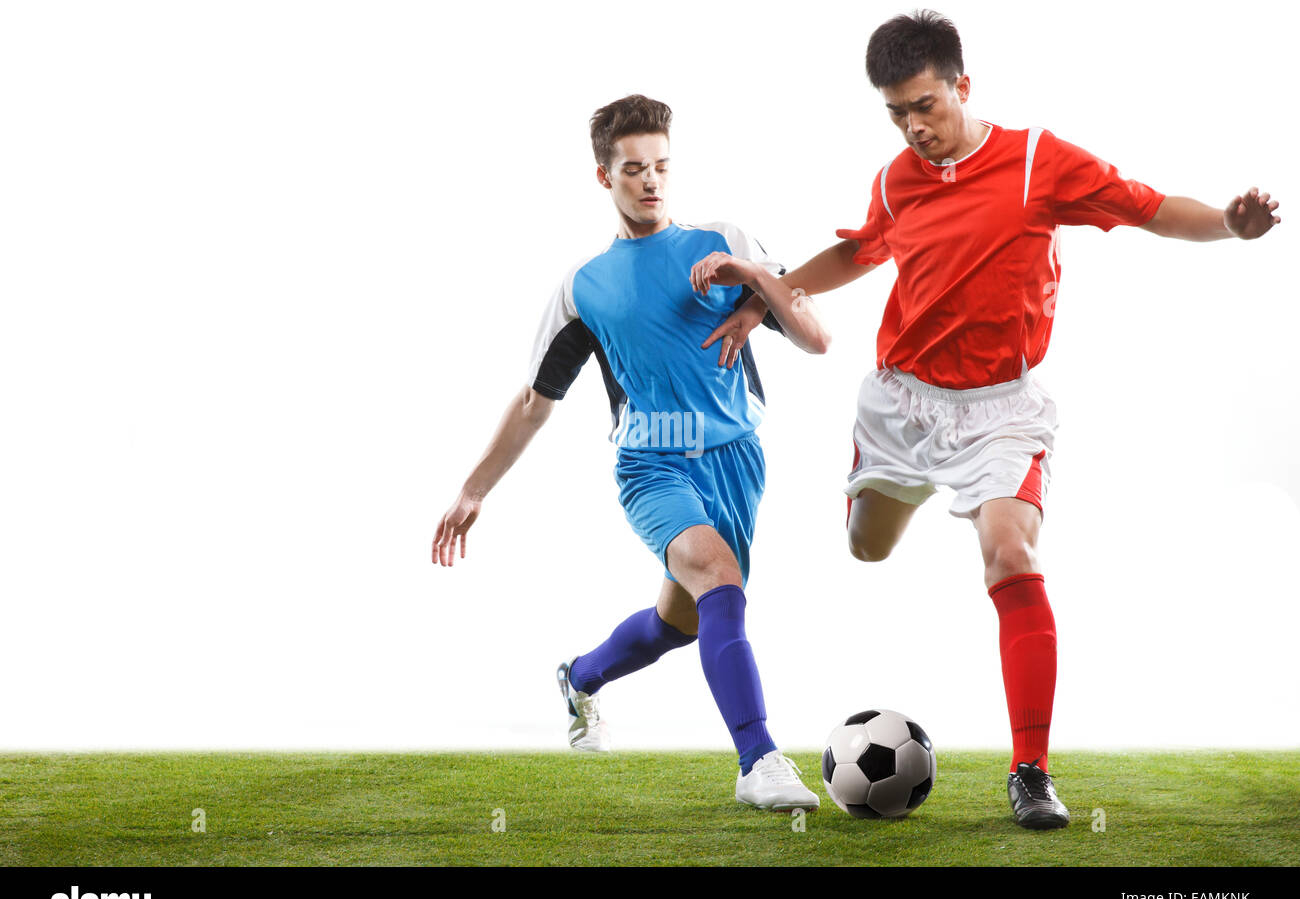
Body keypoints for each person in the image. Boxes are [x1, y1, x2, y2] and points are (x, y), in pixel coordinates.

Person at [691, 10, 1280, 829]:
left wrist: (1228, 224)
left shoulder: (1041, 160)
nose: (914, 126)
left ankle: (1030, 773)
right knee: (867, 548)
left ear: (963, 86)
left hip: (999, 411)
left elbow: (1148, 208)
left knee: (1010, 555)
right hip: (901, 402)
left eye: (925, 105)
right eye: (896, 113)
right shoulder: (897, 177)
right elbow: (860, 253)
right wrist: (768, 296)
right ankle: (897, 488)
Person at [432, 94, 832, 811]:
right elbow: (534, 404)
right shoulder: (583, 287)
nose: (650, 182)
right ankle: (758, 759)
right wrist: (473, 490)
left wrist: (758, 282)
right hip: (652, 466)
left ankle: (580, 678)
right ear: (603, 176)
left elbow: (812, 334)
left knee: (679, 623)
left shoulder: (726, 239)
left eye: (661, 168)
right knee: (716, 572)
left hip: (738, 462)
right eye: (633, 170)